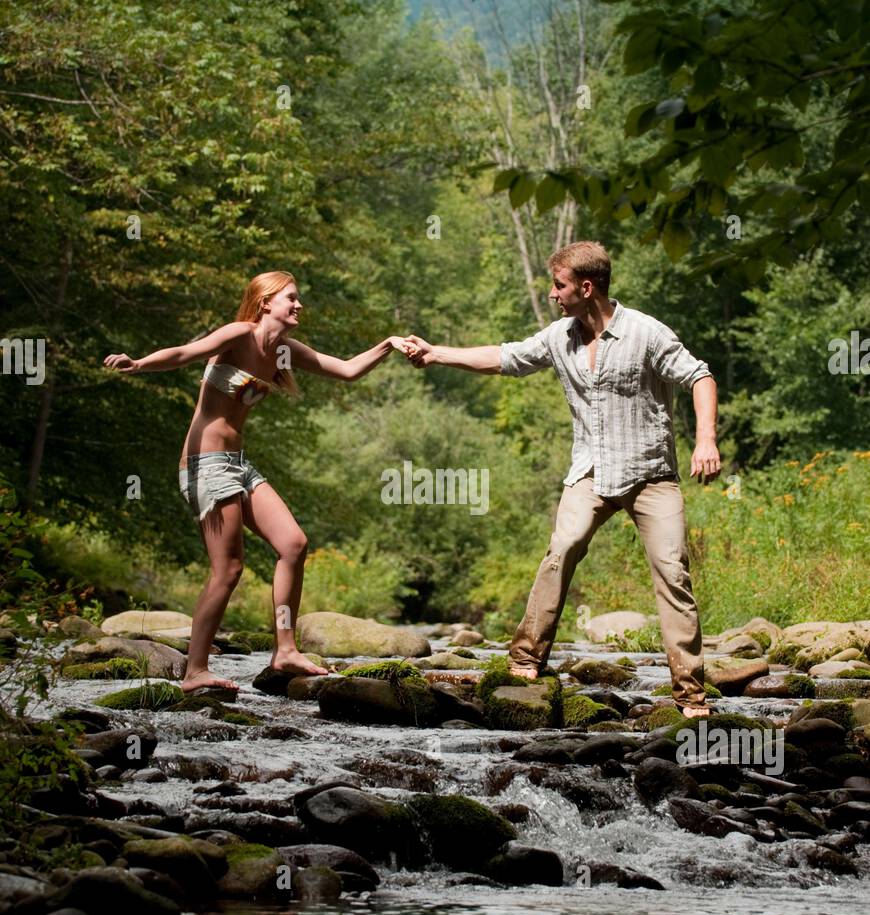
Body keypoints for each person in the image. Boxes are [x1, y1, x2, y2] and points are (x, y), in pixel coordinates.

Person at [402, 241, 720, 718]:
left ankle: (691, 696)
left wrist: (706, 440)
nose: (553, 294)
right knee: (562, 549)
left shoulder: (646, 333)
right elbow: (506, 357)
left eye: (559, 285)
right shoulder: (559, 337)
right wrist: (436, 354)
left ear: (586, 287)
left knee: (673, 572)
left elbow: (700, 377)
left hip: (651, 473)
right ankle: (525, 659)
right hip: (590, 471)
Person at [104, 270, 410, 692]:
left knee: (293, 544)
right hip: (204, 464)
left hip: (237, 464)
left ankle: (284, 650)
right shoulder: (239, 334)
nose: (299, 305)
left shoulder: (283, 351)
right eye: (291, 298)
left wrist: (389, 344)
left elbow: (346, 370)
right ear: (266, 302)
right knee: (228, 569)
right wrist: (138, 364)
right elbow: (185, 352)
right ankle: (195, 671)